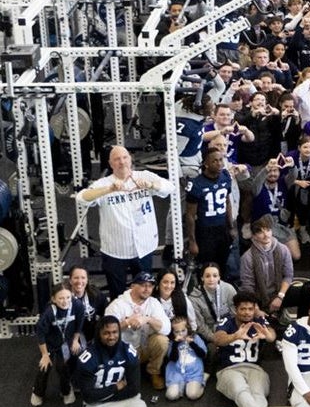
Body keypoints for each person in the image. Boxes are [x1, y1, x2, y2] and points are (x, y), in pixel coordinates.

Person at [77, 146, 175, 297]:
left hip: (143, 247)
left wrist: (151, 185)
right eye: (117, 159)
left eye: (124, 158)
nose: (121, 162)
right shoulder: (104, 183)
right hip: (115, 250)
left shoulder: (145, 176)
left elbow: (170, 188)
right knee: (118, 294)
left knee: (144, 290)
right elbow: (81, 198)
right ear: (110, 164)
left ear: (130, 159)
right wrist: (108, 190)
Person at [214, 292, 278, 407]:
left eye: (250, 309)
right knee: (239, 388)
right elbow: (218, 339)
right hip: (229, 369)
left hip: (255, 368)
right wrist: (235, 335)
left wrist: (267, 335)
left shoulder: (259, 321)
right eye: (243, 309)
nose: (247, 312)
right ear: (236, 309)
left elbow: (272, 336)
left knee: (257, 394)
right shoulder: (227, 321)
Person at [105, 272, 170, 390]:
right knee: (127, 386)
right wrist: (127, 322)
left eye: (150, 286)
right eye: (143, 285)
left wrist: (147, 319)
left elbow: (166, 329)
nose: (147, 289)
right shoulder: (117, 305)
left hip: (144, 348)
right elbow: (105, 332)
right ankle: (121, 374)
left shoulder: (153, 303)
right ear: (132, 286)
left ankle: (154, 372)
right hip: (125, 351)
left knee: (162, 340)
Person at [32, 283, 84, 406]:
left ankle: (66, 391)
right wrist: (45, 355)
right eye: (60, 298)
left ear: (71, 296)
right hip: (50, 343)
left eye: (67, 297)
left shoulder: (77, 306)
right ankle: (37, 392)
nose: (65, 301)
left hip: (66, 342)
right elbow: (40, 333)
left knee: (63, 366)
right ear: (53, 299)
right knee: (44, 367)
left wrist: (76, 340)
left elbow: (79, 325)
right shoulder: (49, 312)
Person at [185, 149, 236, 271]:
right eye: (215, 161)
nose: (219, 164)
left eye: (220, 160)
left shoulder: (225, 176)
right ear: (206, 164)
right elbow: (190, 215)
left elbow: (227, 202)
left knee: (223, 264)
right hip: (205, 231)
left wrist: (231, 227)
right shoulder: (196, 184)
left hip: (222, 228)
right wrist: (192, 241)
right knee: (206, 266)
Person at [239, 216, 295, 313]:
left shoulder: (283, 249)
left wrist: (280, 297)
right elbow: (248, 285)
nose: (266, 235)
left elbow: (288, 275)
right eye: (260, 232)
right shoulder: (247, 257)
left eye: (268, 230)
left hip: (280, 292)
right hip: (258, 297)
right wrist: (255, 307)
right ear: (254, 236)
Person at [187, 262, 236, 344]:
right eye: (207, 276)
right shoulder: (194, 297)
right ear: (202, 278)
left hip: (230, 332)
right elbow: (200, 325)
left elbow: (235, 314)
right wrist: (215, 339)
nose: (211, 279)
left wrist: (232, 337)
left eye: (215, 276)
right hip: (210, 335)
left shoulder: (229, 289)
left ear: (219, 277)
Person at [163, 317, 206, 402]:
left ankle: (202, 381)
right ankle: (182, 386)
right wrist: (175, 344)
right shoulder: (172, 342)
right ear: (173, 332)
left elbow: (203, 354)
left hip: (194, 372)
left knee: (192, 395)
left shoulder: (196, 338)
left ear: (188, 329)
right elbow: (172, 358)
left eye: (183, 331)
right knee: (171, 395)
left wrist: (192, 344)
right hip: (176, 372)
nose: (181, 334)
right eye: (177, 332)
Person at [67, 266, 107, 347]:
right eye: (76, 278)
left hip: (92, 335)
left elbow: (107, 311)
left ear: (87, 280)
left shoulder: (95, 294)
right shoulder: (63, 297)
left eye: (83, 278)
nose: (79, 281)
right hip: (70, 336)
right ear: (70, 280)